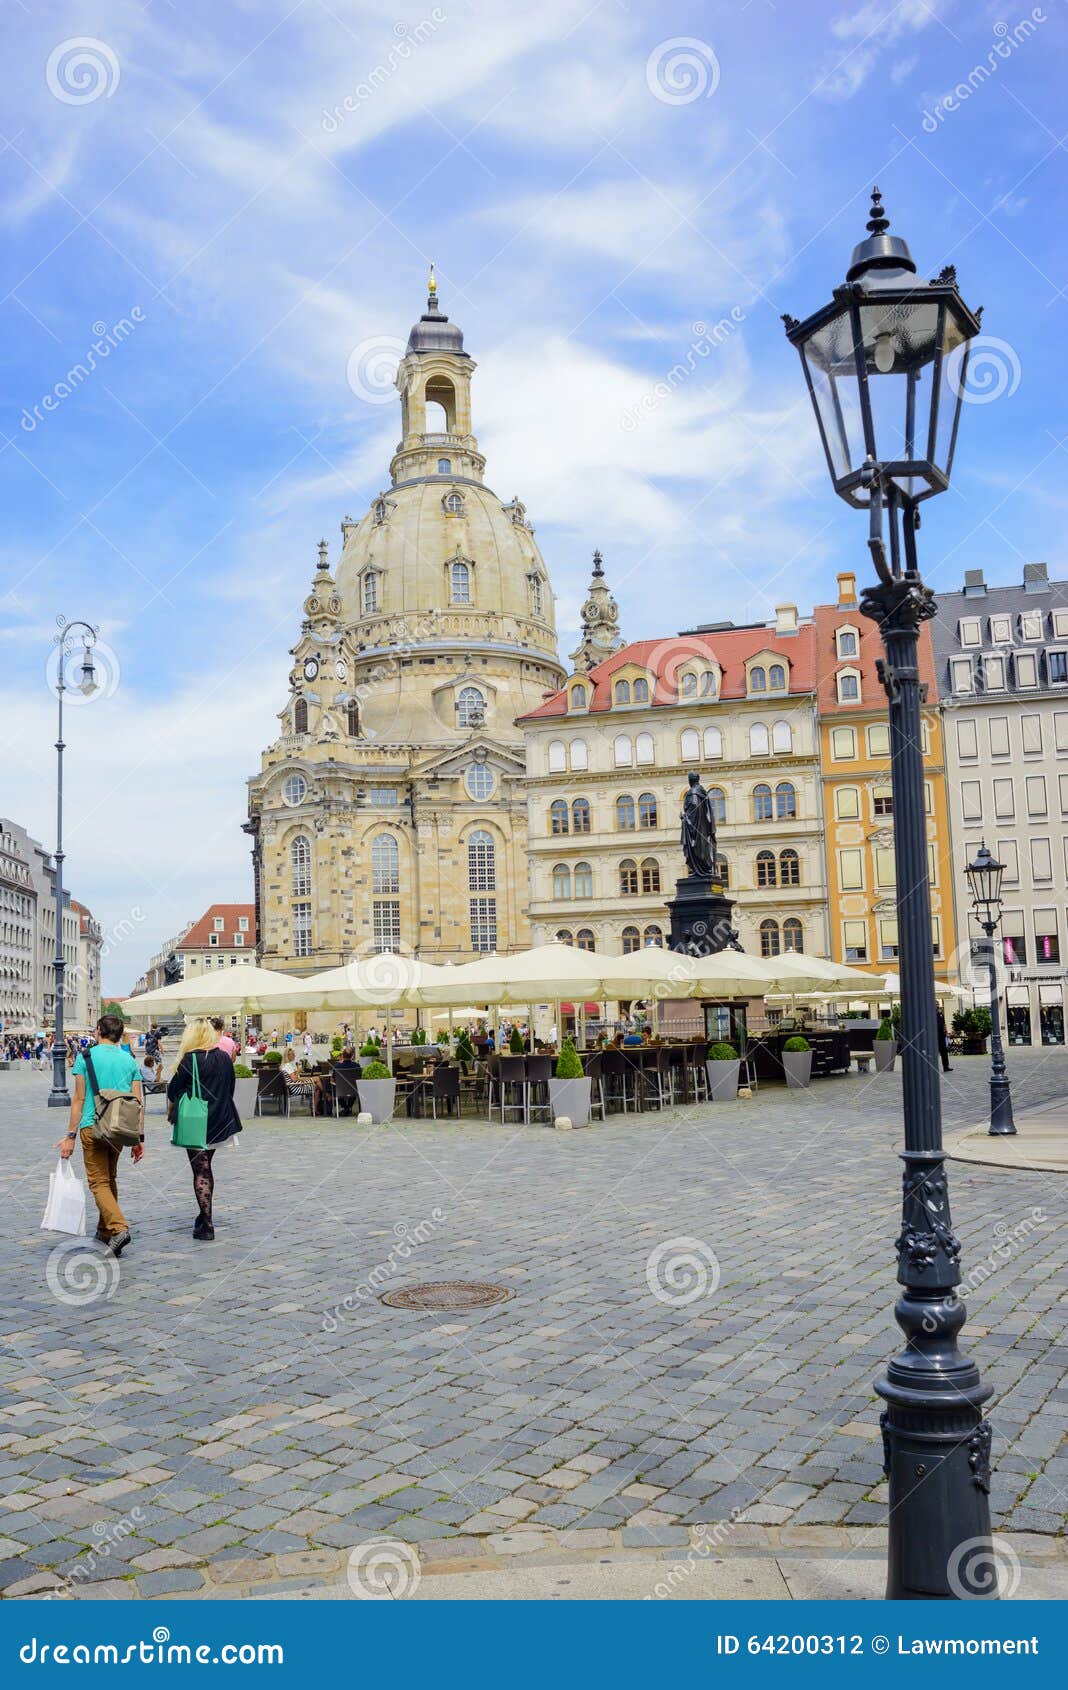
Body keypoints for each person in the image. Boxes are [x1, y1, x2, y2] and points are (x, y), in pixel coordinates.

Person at [56, 1012, 144, 1254]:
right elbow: (137, 1101)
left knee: (98, 1182)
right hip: (119, 1128)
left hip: (91, 1126)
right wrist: (139, 1137)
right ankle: (105, 1231)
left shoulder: (86, 1057)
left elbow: (79, 1099)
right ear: (119, 1035)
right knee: (110, 1178)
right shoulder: (128, 1060)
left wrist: (70, 1135)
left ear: (98, 1031)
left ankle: (118, 1228)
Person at [167, 1018, 242, 1242]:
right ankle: (203, 1216)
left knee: (200, 1170)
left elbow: (173, 1091)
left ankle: (207, 1223)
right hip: (221, 1120)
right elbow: (230, 1088)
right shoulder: (224, 1058)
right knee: (206, 1166)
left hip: (196, 1122)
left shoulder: (188, 1060)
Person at [936, 1006, 953, 1073]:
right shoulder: (930, 1014)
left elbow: (944, 1024)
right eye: (936, 1004)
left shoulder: (941, 1014)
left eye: (937, 1004)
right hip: (934, 1036)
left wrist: (946, 1032)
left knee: (944, 1052)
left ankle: (946, 1067)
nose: (937, 1005)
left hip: (942, 1036)